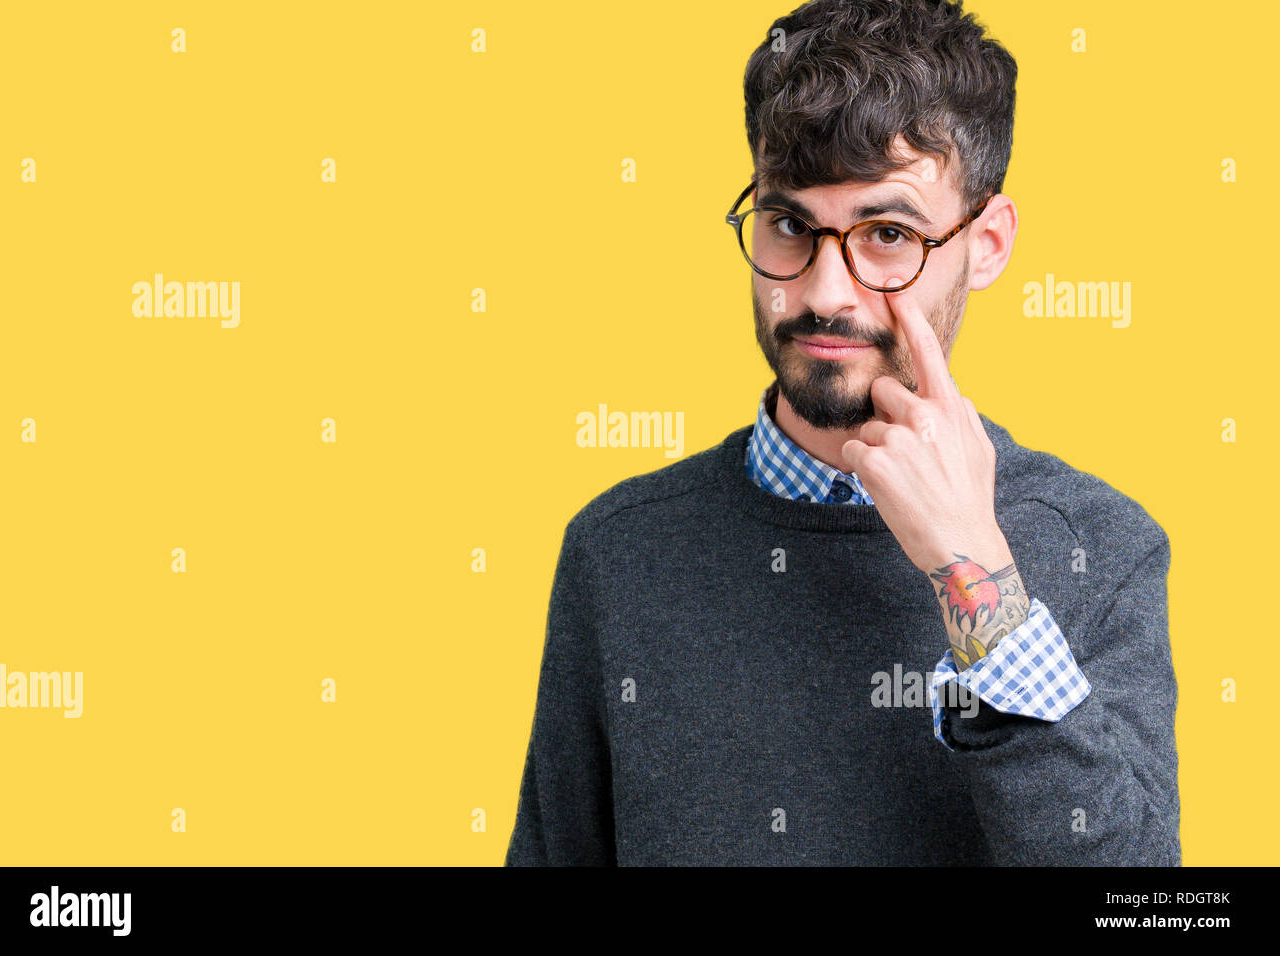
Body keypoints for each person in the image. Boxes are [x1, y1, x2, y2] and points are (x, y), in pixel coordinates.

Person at [505, 0, 1179, 866]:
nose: (826, 293)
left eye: (887, 233)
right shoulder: (619, 549)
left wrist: (977, 575)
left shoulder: (1102, 550)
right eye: (790, 224)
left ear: (988, 242)